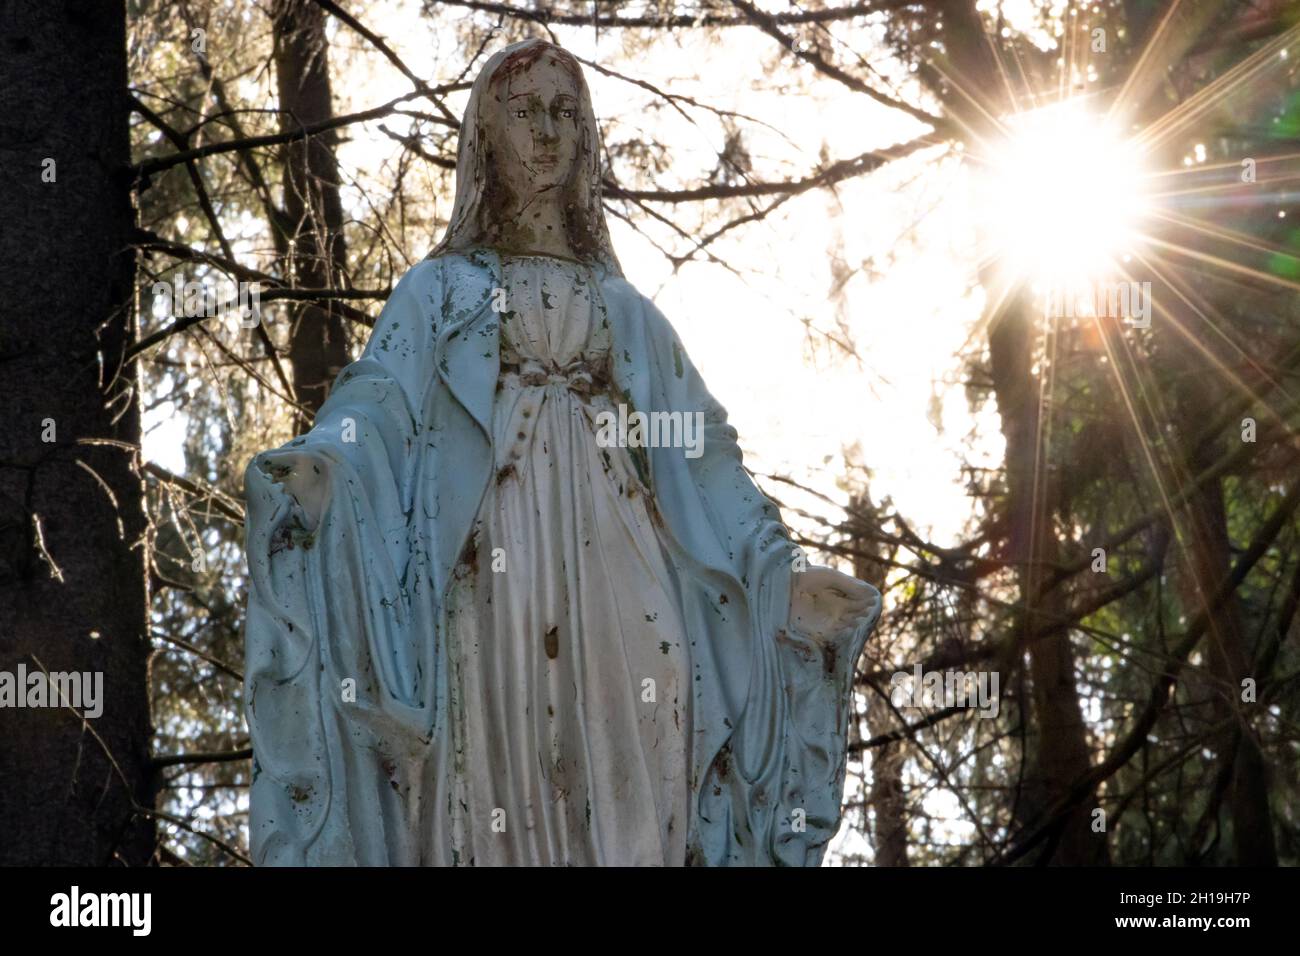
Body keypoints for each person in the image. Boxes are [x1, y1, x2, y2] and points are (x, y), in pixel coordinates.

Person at [243, 38, 881, 866]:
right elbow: (380, 402)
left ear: (585, 137)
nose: (546, 131)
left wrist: (780, 579)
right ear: (486, 135)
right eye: (523, 111)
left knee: (640, 757)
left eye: (565, 113)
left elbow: (708, 458)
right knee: (495, 767)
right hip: (490, 562)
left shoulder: (627, 311)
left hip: (625, 570)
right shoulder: (441, 290)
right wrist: (324, 472)